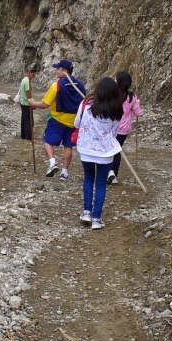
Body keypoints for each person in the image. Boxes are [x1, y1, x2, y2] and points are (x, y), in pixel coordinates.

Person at [73, 77, 124, 229]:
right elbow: (115, 133)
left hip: (86, 149)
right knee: (101, 183)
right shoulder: (117, 111)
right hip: (106, 152)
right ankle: (96, 218)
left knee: (88, 178)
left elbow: (76, 123)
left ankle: (86, 212)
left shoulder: (86, 106)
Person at [28, 59, 86, 180]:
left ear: (64, 71)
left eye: (58, 69)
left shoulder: (56, 85)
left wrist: (33, 103)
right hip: (73, 121)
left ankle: (52, 162)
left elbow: (45, 104)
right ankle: (64, 172)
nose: (56, 71)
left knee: (47, 141)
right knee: (68, 146)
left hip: (57, 119)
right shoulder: (80, 86)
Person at [109, 71, 143, 185]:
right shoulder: (131, 97)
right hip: (123, 130)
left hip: (110, 127)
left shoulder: (111, 94)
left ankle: (109, 172)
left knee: (108, 150)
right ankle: (113, 175)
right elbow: (138, 114)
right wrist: (137, 103)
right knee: (117, 151)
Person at [18, 64, 38, 140]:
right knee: (29, 122)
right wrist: (33, 104)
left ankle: (23, 136)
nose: (33, 74)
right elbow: (28, 94)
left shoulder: (24, 79)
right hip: (26, 104)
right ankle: (28, 138)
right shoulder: (27, 81)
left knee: (24, 120)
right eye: (31, 72)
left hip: (23, 102)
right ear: (27, 72)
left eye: (34, 72)